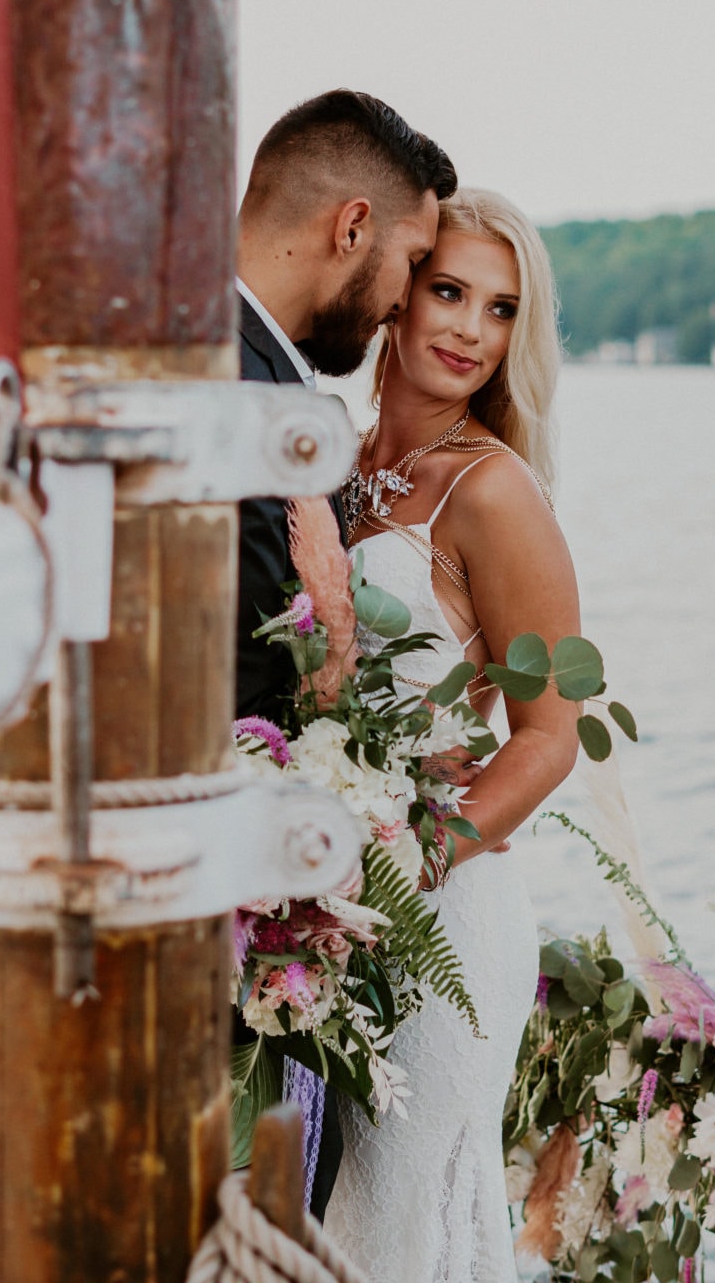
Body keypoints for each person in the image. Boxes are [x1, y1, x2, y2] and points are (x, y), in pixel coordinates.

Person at [325, 188, 582, 1280]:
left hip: (434, 921)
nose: (471, 328)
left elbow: (549, 736)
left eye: (500, 308)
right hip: (325, 907)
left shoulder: (492, 491)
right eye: (447, 291)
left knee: (399, 1224)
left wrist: (404, 868)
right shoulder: (329, 462)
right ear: (395, 295)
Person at [234, 88, 457, 1219]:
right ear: (351, 226)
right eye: (412, 260)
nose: (407, 300)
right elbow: (252, 674)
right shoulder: (233, 391)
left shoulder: (253, 375)